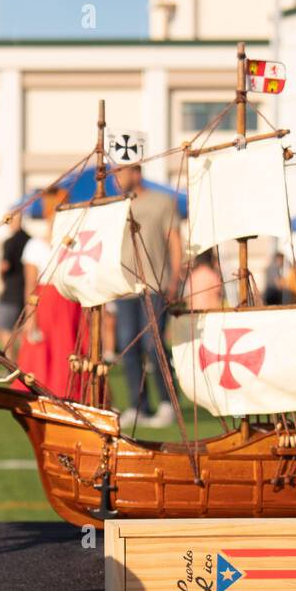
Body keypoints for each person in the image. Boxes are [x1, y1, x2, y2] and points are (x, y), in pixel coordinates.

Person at [113, 165, 181, 429]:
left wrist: (175, 278)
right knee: (128, 346)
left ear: (136, 173)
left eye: (121, 173)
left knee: (154, 344)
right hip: (124, 287)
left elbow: (174, 239)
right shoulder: (115, 207)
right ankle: (138, 405)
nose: (116, 180)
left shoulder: (163, 202)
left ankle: (167, 403)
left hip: (155, 284)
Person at [14, 190, 81, 400]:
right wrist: (31, 317)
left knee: (68, 350)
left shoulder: (74, 244)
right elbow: (30, 286)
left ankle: (70, 393)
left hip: (70, 302)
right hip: (46, 303)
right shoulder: (35, 246)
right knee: (43, 349)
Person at [0, 211, 30, 340]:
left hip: (11, 293)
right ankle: (23, 359)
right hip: (27, 292)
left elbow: (5, 265)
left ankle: (9, 359)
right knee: (23, 331)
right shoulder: (30, 240)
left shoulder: (9, 242)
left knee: (7, 330)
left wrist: (1, 279)